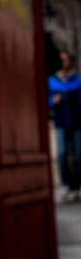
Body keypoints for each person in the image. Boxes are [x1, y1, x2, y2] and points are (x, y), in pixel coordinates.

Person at [48, 50, 81, 202]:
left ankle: (77, 185)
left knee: (78, 154)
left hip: (77, 122)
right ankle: (66, 184)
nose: (64, 63)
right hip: (60, 122)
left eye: (67, 60)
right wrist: (54, 101)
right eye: (62, 60)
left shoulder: (78, 80)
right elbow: (46, 101)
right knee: (61, 154)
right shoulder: (52, 81)